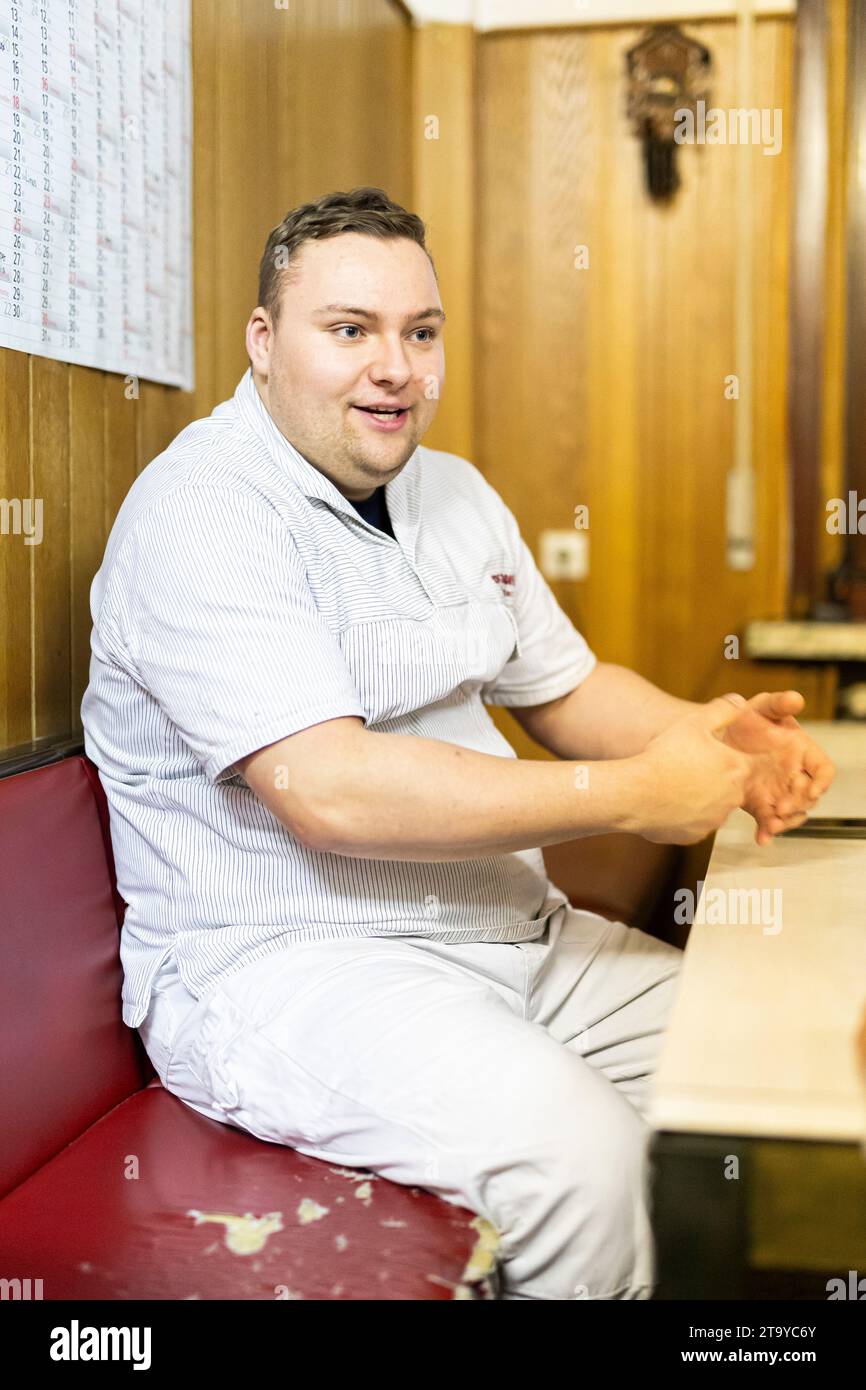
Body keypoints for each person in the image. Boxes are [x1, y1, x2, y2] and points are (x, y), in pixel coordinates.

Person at [81, 186, 835, 1300]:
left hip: (505, 934)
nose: (394, 367)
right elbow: (327, 789)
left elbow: (570, 690)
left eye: (418, 333)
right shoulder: (200, 514)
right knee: (583, 1166)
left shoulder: (456, 495)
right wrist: (633, 792)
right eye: (349, 330)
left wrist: (715, 740)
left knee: (760, 1068)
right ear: (262, 340)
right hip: (289, 968)